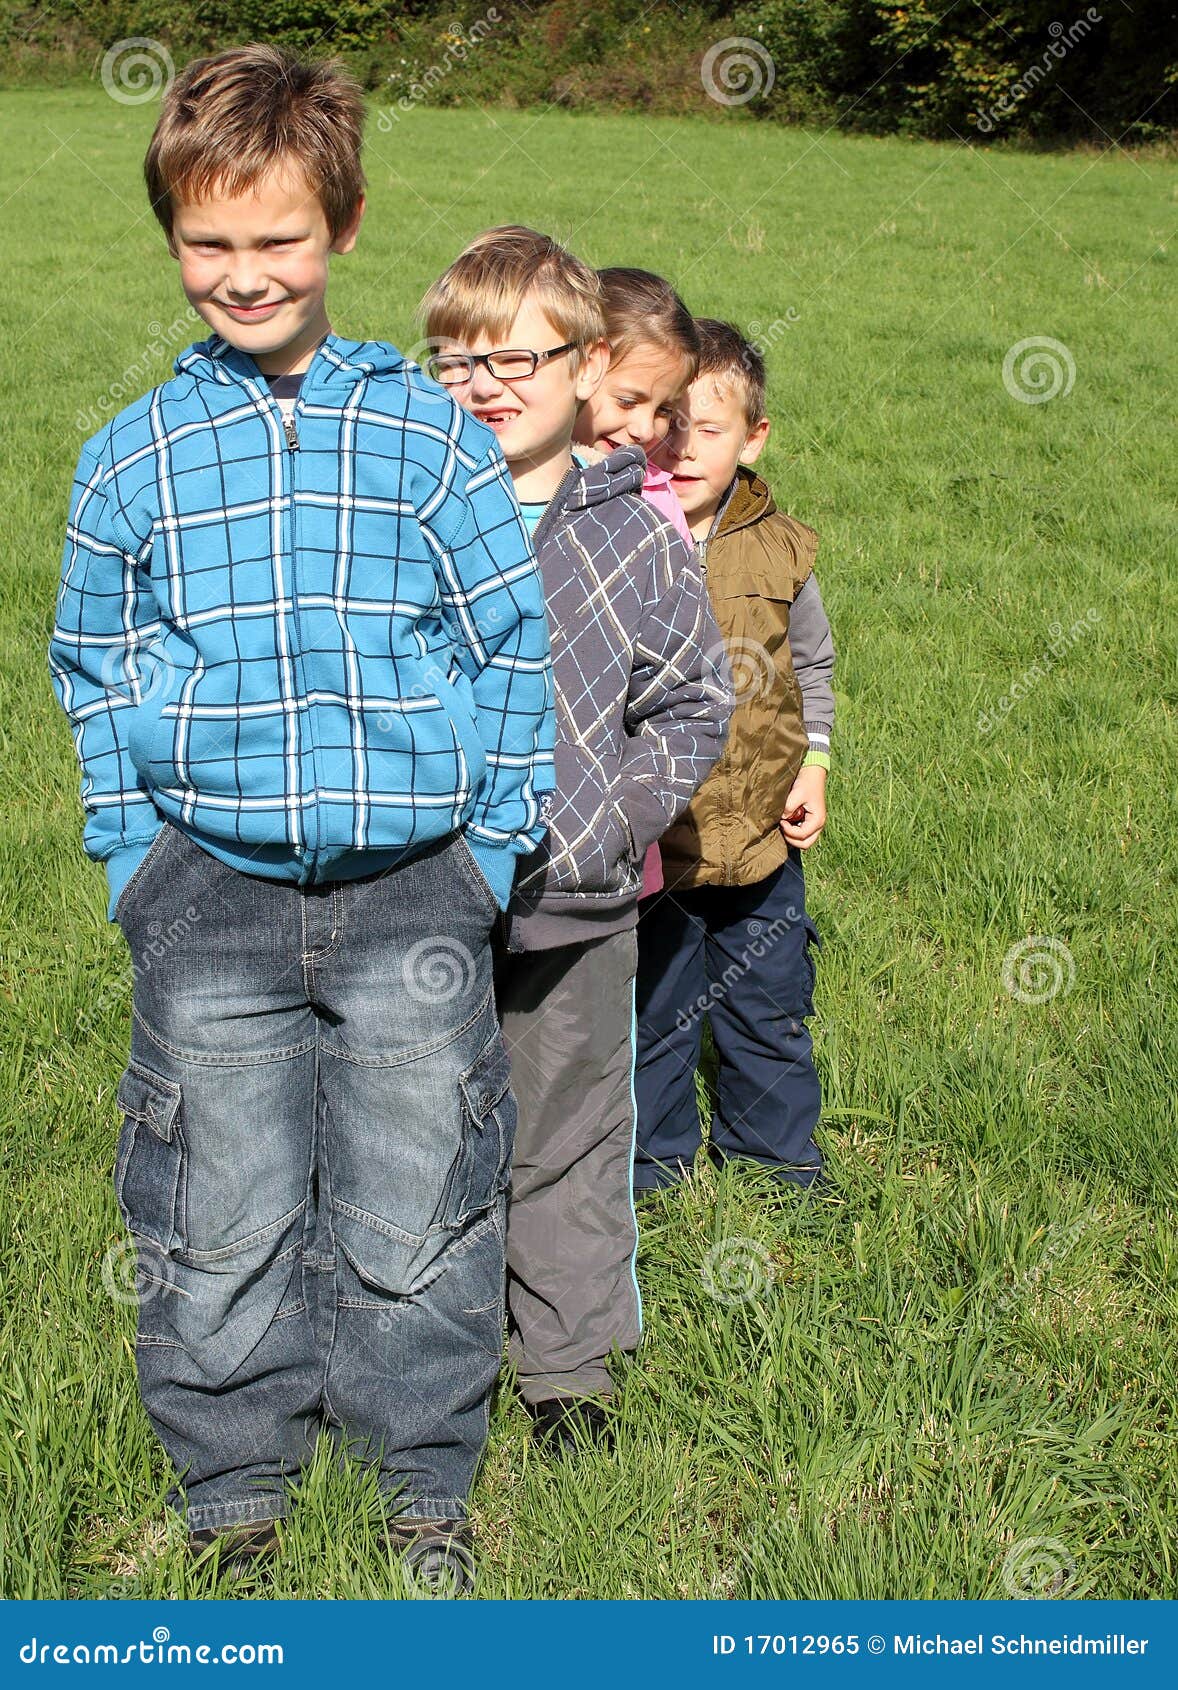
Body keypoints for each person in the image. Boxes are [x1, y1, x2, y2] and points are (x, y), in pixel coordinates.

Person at [48, 46, 555, 1588]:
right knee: (220, 1200)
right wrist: (132, 854)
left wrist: (489, 846)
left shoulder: (430, 441)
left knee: (417, 1197)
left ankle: (419, 1480)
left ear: (342, 226)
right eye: (208, 241)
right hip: (207, 892)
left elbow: (507, 646)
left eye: (276, 237)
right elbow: (90, 663)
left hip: (416, 889)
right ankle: (233, 1483)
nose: (243, 271)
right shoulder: (131, 455)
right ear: (170, 237)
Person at [421, 227, 731, 1448]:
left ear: (586, 365)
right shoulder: (404, 516)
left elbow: (692, 700)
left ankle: (568, 1373)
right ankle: (420, 1369)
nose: (486, 385)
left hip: (575, 899)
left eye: (517, 359)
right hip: (412, 895)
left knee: (568, 1134)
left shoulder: (635, 533)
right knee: (412, 1138)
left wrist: (605, 821)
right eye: (458, 362)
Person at [634, 317, 835, 1195]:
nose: (683, 447)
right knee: (655, 1011)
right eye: (668, 423)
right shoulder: (620, 535)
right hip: (659, 840)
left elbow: (812, 667)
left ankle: (776, 1163)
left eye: (709, 429)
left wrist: (815, 764)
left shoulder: (781, 547)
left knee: (770, 1004)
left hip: (762, 835)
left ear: (753, 438)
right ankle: (652, 1171)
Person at [573, 266, 698, 900]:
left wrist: (625, 818)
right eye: (628, 401)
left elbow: (680, 675)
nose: (646, 430)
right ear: (579, 367)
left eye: (664, 410)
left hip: (607, 830)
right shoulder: (497, 480)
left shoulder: (656, 506)